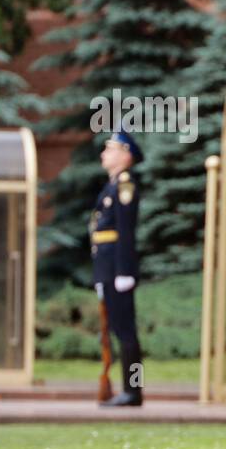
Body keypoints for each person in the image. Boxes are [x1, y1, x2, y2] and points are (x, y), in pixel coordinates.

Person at [91, 129, 144, 407]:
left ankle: (133, 391)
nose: (104, 154)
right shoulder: (112, 186)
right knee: (118, 330)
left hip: (117, 269)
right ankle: (127, 390)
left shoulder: (125, 185)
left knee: (126, 331)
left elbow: (125, 231)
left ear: (125, 154)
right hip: (108, 268)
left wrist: (124, 271)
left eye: (109, 149)